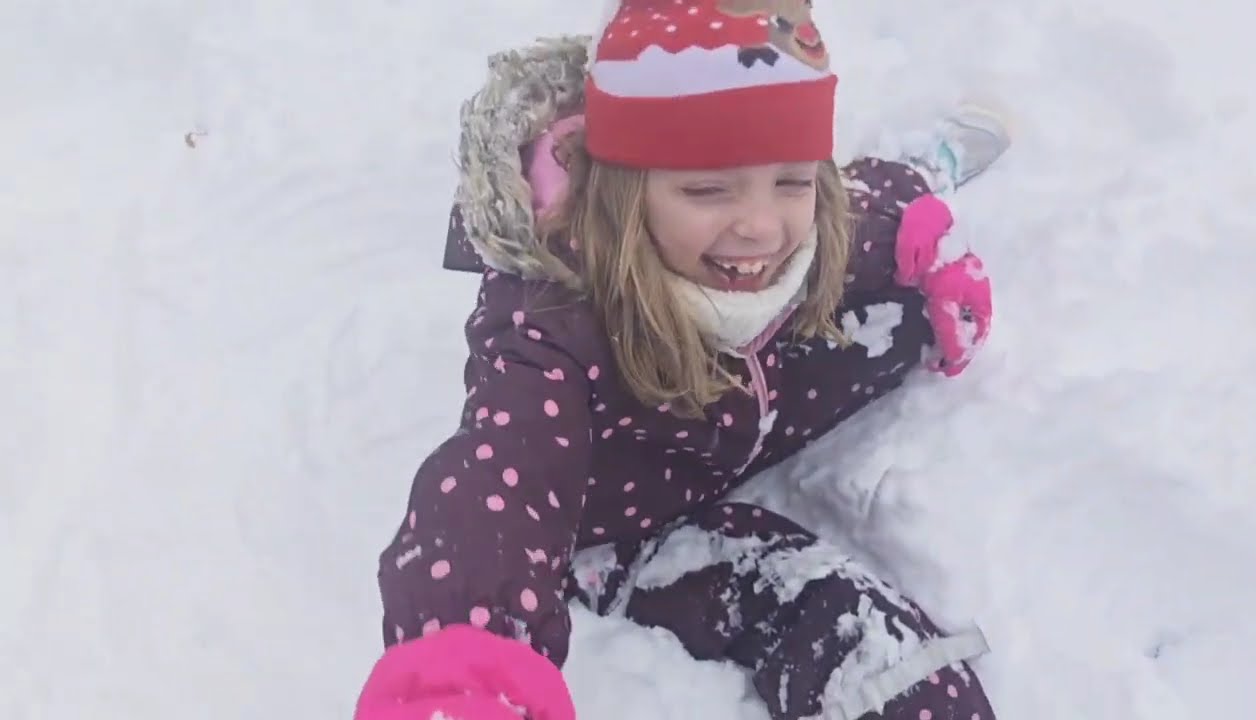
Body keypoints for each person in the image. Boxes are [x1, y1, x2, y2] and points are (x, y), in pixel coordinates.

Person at [355, 2, 1010, 718]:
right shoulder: (548, 328)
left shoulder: (779, 230)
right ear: (623, 196)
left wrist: (912, 226)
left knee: (898, 313)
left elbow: (837, 221)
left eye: (791, 179)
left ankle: (916, 168)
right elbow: (496, 481)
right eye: (708, 189)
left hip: (749, 402)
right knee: (822, 608)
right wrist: (461, 662)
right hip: (633, 528)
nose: (759, 224)